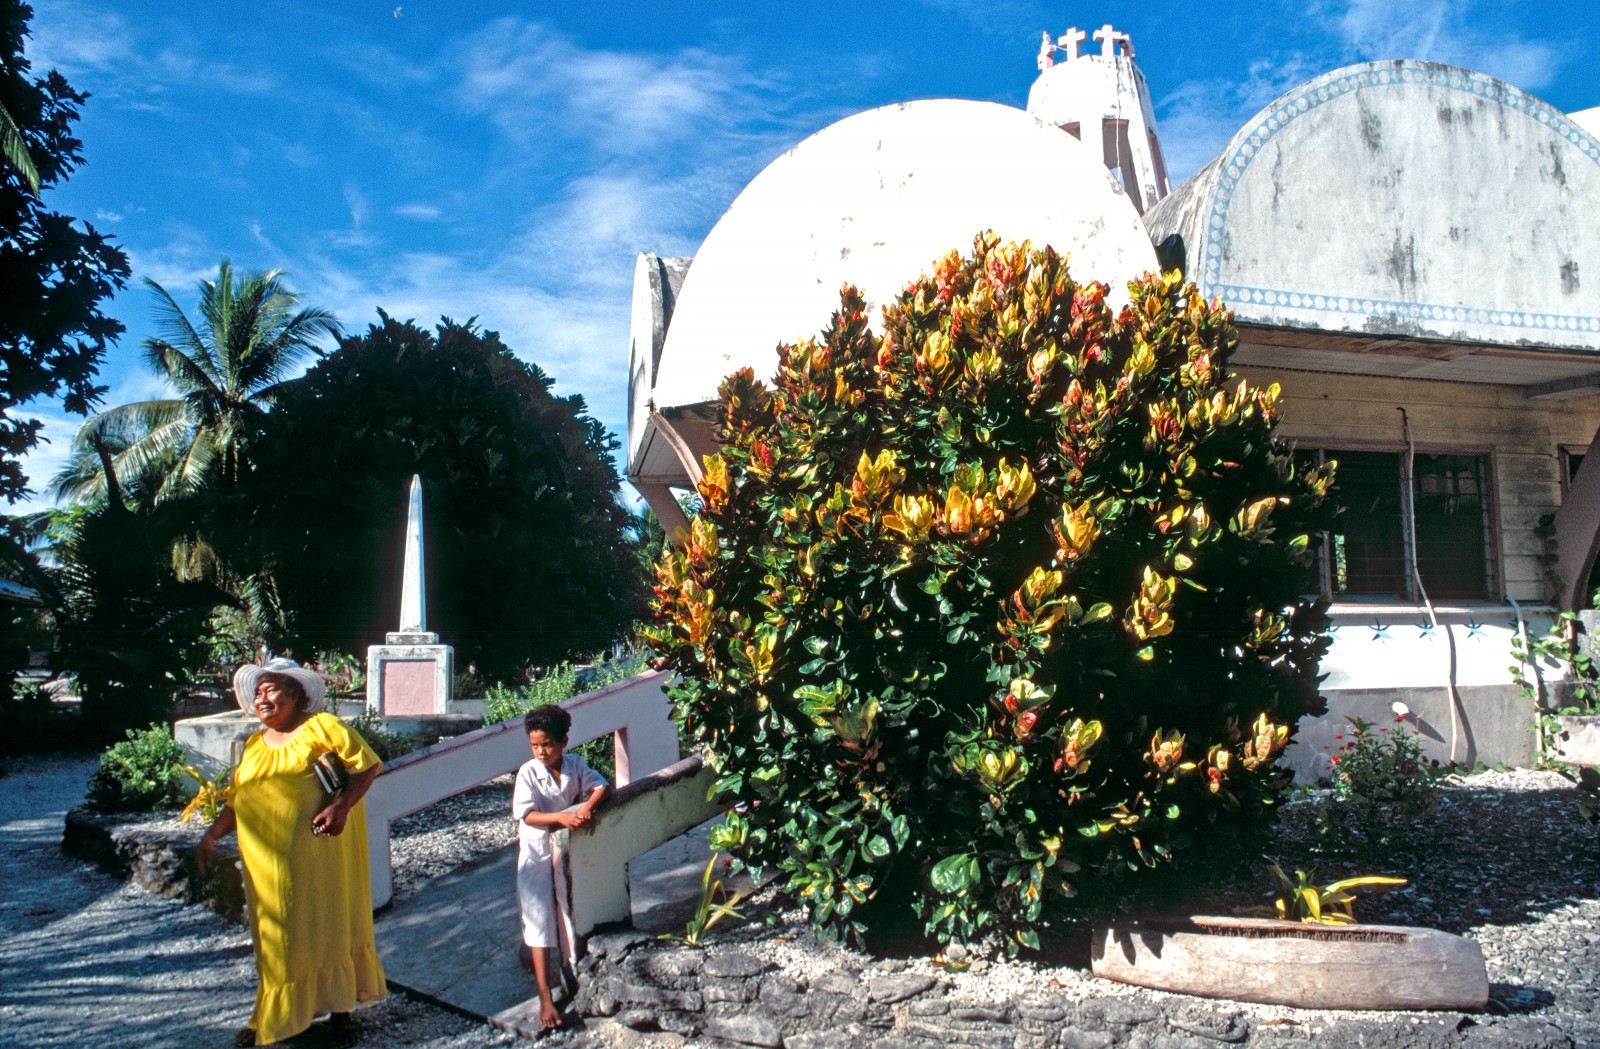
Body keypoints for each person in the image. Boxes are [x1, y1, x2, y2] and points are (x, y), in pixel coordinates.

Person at [197, 658, 388, 1047]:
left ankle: (339, 1010)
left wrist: (341, 806)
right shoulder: (253, 744)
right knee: (275, 935)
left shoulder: (322, 727)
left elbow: (366, 766)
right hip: (263, 864)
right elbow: (238, 800)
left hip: (317, 857)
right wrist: (211, 834)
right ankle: (275, 1010)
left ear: (296, 694)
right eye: (258, 691)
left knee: (326, 923)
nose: (261, 698)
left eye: (271, 689)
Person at [514, 704, 609, 1029]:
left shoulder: (575, 765)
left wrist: (586, 809)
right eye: (535, 745)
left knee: (565, 913)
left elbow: (601, 786)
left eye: (548, 744)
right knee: (539, 919)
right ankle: (544, 995)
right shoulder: (527, 773)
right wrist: (561, 817)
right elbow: (526, 814)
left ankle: (567, 968)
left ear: (564, 741)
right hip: (535, 856)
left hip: (562, 857)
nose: (541, 751)